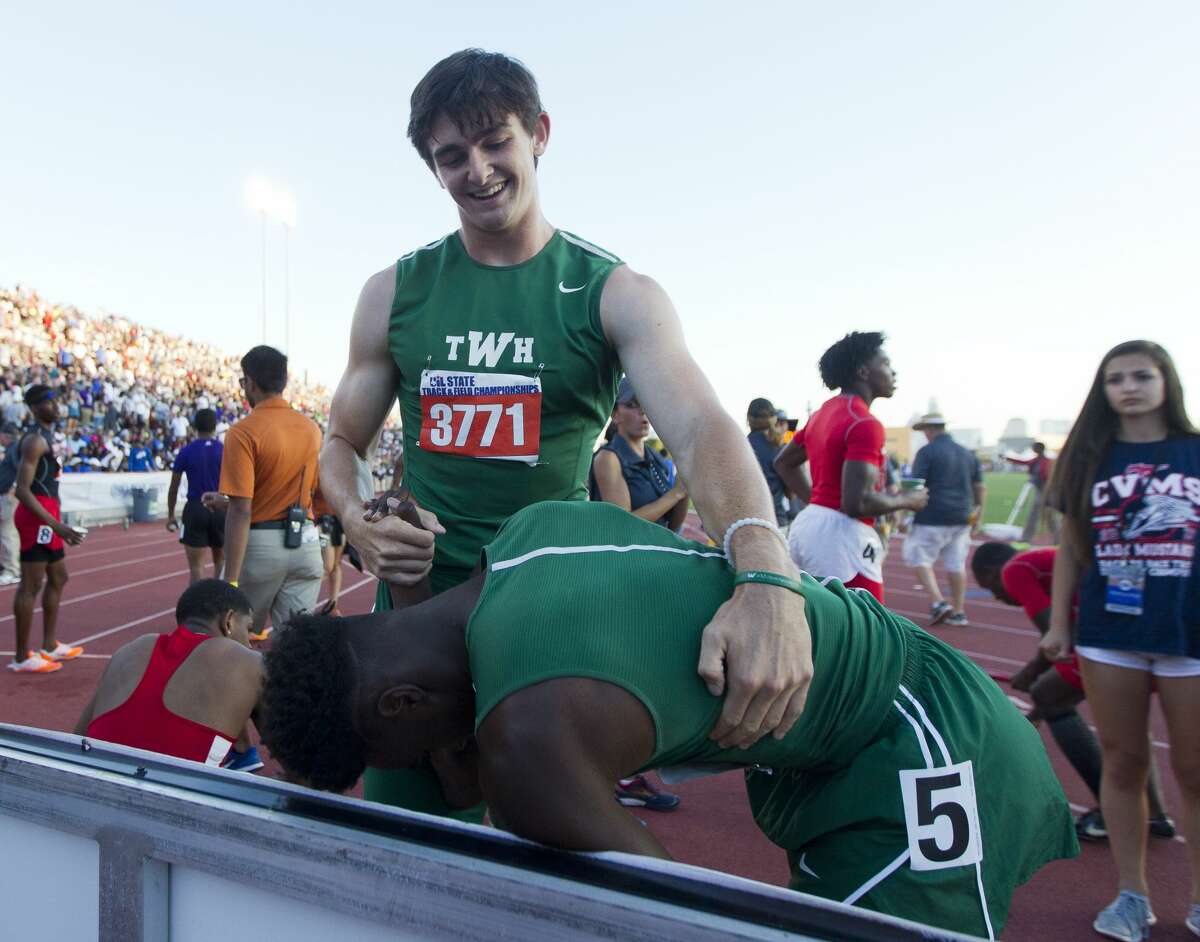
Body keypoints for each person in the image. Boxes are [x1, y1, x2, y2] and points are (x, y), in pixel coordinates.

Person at [318, 49, 810, 817]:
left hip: (543, 620)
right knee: (404, 837)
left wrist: (766, 573)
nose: (478, 170)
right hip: (415, 621)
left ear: (539, 133)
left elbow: (700, 427)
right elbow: (341, 442)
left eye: (496, 142)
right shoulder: (393, 293)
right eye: (452, 156)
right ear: (433, 169)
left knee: (540, 836)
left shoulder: (616, 293)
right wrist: (355, 518)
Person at [263, 500, 1077, 939]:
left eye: (399, 752)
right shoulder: (530, 529)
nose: (424, 763)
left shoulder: (530, 742)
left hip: (923, 743)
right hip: (854, 728)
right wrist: (410, 600)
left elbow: (683, 915)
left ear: (401, 705)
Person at [1039, 340, 1200, 940]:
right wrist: (1059, 624)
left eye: (1141, 376)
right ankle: (1132, 895)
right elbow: (1070, 549)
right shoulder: (1089, 456)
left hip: (1188, 630)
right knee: (1124, 761)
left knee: (1194, 768)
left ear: (1166, 381)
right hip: (1111, 632)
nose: (1129, 387)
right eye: (1116, 379)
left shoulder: (1194, 451)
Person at [971, 541, 1175, 843]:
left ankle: (1113, 813)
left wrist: (1033, 674)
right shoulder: (1043, 562)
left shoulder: (1016, 570)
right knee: (1130, 725)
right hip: (1143, 626)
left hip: (1112, 635)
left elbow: (1054, 637)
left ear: (992, 572)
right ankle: (1155, 815)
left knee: (1049, 695)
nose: (997, 597)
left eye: (990, 588)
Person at [775, 332, 927, 601]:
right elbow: (857, 503)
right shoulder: (864, 422)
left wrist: (818, 502)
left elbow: (784, 463)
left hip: (811, 526)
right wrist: (908, 499)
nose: (893, 372)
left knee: (814, 617)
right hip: (842, 538)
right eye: (885, 363)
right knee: (867, 622)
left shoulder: (822, 412)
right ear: (863, 372)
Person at [75, 579, 263, 771]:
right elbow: (284, 752)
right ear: (228, 620)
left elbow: (76, 741)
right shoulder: (249, 662)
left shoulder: (128, 651)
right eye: (248, 629)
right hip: (177, 788)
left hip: (90, 783)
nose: (249, 644)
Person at [218, 346, 323, 644]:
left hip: (260, 546)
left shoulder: (243, 432)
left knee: (231, 637)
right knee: (297, 645)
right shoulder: (311, 428)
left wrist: (231, 580)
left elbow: (241, 509)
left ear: (250, 383)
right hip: (305, 542)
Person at [7, 385, 83, 673]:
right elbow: (22, 490)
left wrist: (56, 518)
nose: (56, 406)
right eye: (49, 403)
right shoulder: (35, 441)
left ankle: (49, 645)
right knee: (30, 585)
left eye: (55, 401)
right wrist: (56, 524)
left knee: (59, 577)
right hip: (35, 516)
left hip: (48, 514)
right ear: (35, 408)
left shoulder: (49, 438)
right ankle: (21, 657)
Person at [902, 412, 985, 627]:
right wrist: (978, 513)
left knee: (920, 558)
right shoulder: (967, 453)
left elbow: (916, 485)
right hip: (961, 516)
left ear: (929, 430)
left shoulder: (927, 452)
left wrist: (905, 513)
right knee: (956, 564)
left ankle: (938, 602)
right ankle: (959, 610)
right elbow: (979, 486)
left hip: (931, 516)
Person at [590, 377, 688, 531]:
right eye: (632, 405)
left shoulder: (655, 457)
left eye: (646, 404)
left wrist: (686, 488)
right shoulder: (608, 458)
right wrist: (675, 494)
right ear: (615, 415)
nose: (643, 411)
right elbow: (622, 526)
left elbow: (672, 526)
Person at [166, 408, 225, 584]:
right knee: (221, 563)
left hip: (195, 508)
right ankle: (219, 599)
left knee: (196, 568)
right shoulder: (224, 450)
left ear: (194, 427)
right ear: (215, 426)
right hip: (220, 508)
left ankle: (197, 601)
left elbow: (174, 486)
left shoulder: (186, 451)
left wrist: (171, 515)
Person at [745, 397, 789, 527]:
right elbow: (790, 494)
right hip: (776, 520)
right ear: (773, 419)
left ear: (749, 418)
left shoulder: (740, 446)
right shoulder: (781, 448)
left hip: (748, 520)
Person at [1007, 442, 1059, 543]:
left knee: (1040, 515)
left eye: (1034, 448)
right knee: (1047, 515)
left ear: (1039, 449)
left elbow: (1049, 476)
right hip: (1040, 490)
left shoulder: (1047, 461)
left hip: (1046, 490)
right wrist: (1008, 459)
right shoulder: (1036, 460)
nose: (1033, 450)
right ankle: (1057, 539)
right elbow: (1023, 462)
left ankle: (1027, 538)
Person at [313, 486, 347, 616]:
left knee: (336, 565)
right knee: (327, 566)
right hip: (322, 521)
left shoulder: (342, 475)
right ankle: (303, 597)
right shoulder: (317, 475)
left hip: (339, 520)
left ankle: (333, 606)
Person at [0, 422, 22, 586]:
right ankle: (10, 567)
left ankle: (12, 570)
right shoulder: (12, 449)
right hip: (7, 495)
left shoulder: (14, 449)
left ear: (5, 436)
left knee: (8, 532)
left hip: (9, 496)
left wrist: (13, 489)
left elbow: (21, 469)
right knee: (8, 532)